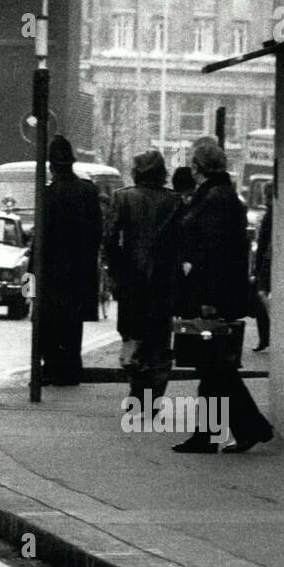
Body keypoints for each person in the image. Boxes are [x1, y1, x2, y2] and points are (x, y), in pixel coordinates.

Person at [172, 138, 274, 454]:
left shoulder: (215, 199)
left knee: (214, 367)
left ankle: (240, 429)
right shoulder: (221, 195)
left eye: (193, 160)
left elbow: (215, 253)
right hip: (216, 293)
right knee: (214, 367)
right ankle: (227, 432)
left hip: (210, 295)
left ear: (198, 166)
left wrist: (209, 299)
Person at [103, 149, 180, 415]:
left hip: (131, 279)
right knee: (160, 339)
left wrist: (115, 272)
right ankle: (153, 399)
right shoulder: (175, 201)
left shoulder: (122, 198)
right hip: (164, 280)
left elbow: (110, 240)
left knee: (133, 336)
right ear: (162, 174)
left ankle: (137, 393)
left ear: (136, 172)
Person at [38, 135, 102, 386]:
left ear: (51, 166)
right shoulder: (88, 191)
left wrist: (27, 288)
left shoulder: (48, 194)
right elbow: (97, 233)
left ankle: (51, 369)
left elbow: (39, 245)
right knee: (73, 326)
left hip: (51, 276)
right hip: (80, 274)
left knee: (48, 325)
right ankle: (71, 369)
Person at [251, 182, 273, 352]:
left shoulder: (269, 216)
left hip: (267, 262)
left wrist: (256, 268)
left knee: (261, 296)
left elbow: (263, 242)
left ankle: (265, 337)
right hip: (267, 260)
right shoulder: (272, 214)